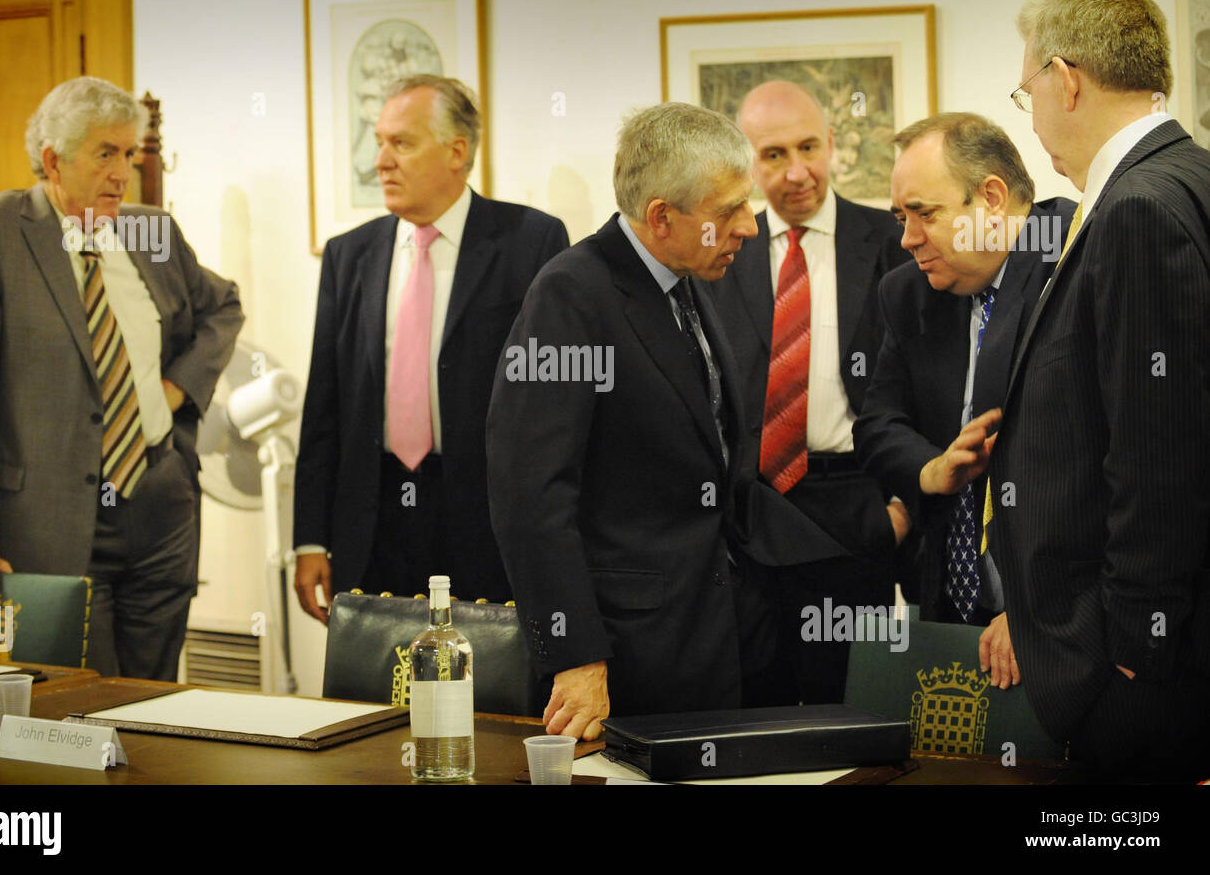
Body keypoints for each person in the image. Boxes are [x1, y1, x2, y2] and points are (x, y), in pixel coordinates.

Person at [0, 76, 243, 681]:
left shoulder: (153, 233)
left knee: (154, 697)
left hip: (160, 505)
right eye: (105, 154)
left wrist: (178, 387)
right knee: (72, 704)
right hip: (48, 518)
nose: (122, 173)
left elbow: (222, 307)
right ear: (53, 159)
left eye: (129, 153)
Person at [486, 102, 773, 739]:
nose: (749, 228)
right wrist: (575, 655)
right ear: (662, 217)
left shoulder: (695, 276)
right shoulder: (571, 294)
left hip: (713, 635)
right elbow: (528, 494)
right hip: (623, 656)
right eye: (727, 211)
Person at [991, 0, 1210, 777]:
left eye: (1027, 94)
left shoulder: (1139, 207)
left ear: (1066, 79)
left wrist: (1133, 642)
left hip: (1139, 667)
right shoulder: (1188, 176)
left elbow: (1162, 452)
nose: (1036, 118)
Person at [293, 75, 568, 618]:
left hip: (484, 518)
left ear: (456, 151)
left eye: (402, 143)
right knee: (375, 693)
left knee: (484, 693)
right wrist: (308, 539)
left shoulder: (530, 241)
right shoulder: (350, 256)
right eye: (379, 142)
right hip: (373, 516)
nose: (381, 161)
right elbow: (323, 405)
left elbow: (556, 406)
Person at [706, 80, 911, 705]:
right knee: (756, 709)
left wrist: (901, 511)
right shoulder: (719, 251)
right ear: (746, 163)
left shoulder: (895, 243)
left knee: (851, 711)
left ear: (831, 144)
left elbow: (924, 387)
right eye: (773, 155)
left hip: (856, 504)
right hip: (751, 512)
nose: (798, 172)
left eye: (809, 147)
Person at [852, 113, 1075, 688]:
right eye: (902, 217)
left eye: (925, 213)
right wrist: (930, 469)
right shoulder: (907, 292)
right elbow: (877, 423)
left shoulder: (1076, 259)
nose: (906, 238)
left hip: (1062, 610)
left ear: (993, 198)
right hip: (948, 599)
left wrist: (1030, 606)